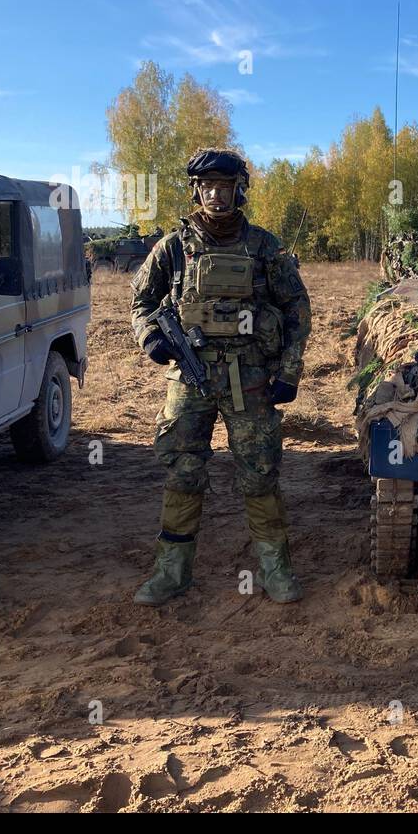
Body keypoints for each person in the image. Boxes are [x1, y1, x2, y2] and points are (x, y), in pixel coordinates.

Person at [130, 148, 311, 604]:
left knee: (260, 473)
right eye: (207, 186)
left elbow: (297, 309)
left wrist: (289, 372)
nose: (215, 195)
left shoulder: (265, 247)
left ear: (239, 191)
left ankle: (275, 571)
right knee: (183, 472)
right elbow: (142, 302)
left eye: (224, 187)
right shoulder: (172, 247)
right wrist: (151, 337)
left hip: (250, 381)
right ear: (196, 190)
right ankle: (171, 573)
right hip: (189, 380)